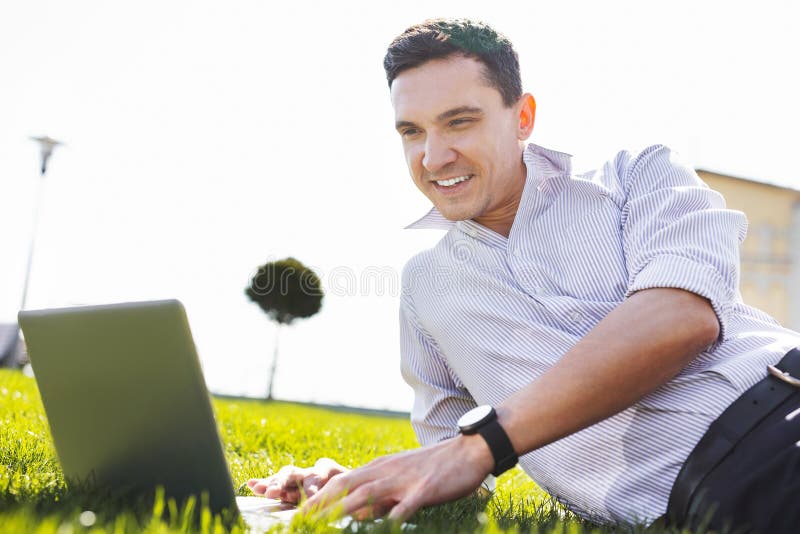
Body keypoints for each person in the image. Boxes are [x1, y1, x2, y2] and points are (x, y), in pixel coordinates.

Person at [248, 18, 800, 531]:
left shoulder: (637, 174)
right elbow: (455, 472)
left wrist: (483, 443)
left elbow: (680, 318)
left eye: (459, 121)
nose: (433, 157)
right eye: (411, 131)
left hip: (785, 411)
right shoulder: (423, 291)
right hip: (706, 504)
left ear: (523, 118)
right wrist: (359, 483)